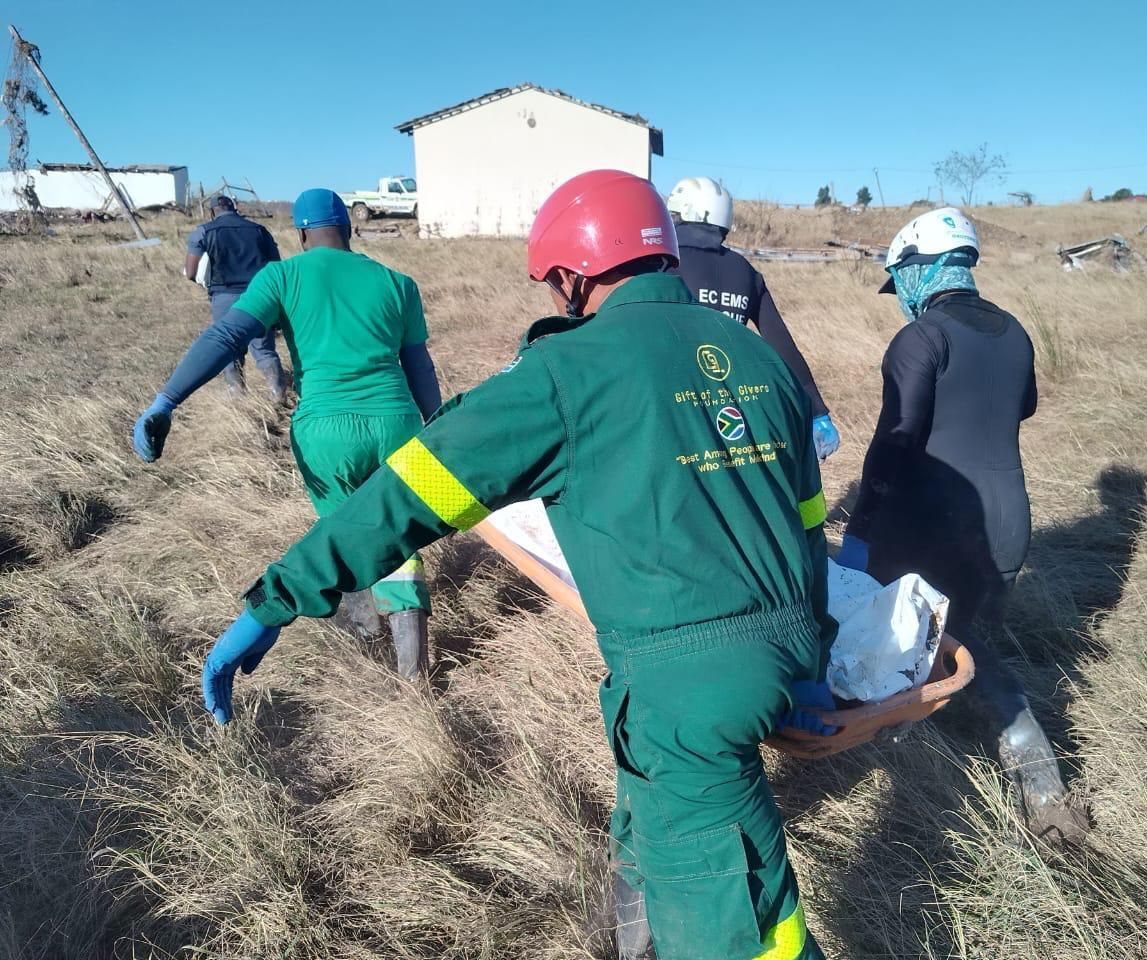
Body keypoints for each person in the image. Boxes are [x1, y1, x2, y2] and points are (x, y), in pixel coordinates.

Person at [199, 170, 836, 960]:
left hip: (687, 696)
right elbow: (808, 518)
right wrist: (813, 652)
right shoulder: (752, 353)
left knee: (746, 934)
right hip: (789, 647)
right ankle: (633, 936)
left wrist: (274, 601)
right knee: (645, 812)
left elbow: (403, 497)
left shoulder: (563, 373)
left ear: (572, 278)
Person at [836, 206, 1084, 840]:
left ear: (922, 268)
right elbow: (1020, 406)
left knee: (940, 641)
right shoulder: (1015, 333)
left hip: (935, 525)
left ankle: (1035, 767)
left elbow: (893, 441)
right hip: (1009, 521)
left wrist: (862, 527)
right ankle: (929, 734)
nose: (900, 299)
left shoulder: (921, 340)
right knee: (961, 632)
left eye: (901, 281)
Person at [134, 188, 441, 678]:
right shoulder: (397, 282)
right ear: (348, 228)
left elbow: (225, 337)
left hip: (324, 435)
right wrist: (437, 428)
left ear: (300, 233)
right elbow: (419, 366)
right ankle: (414, 676)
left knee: (341, 535)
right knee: (399, 535)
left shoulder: (281, 276)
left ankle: (367, 638)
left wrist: (167, 400)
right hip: (396, 422)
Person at [667, 177, 840, 461]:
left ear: (684, 214)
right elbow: (782, 346)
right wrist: (817, 411)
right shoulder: (744, 270)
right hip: (734, 406)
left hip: (676, 406)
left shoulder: (663, 265)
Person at [185, 195, 288, 400]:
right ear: (235, 208)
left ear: (212, 211)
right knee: (264, 348)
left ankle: (237, 394)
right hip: (259, 296)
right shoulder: (259, 230)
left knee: (229, 347)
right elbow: (276, 265)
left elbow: (190, 272)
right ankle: (278, 394)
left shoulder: (203, 231)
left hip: (224, 297)